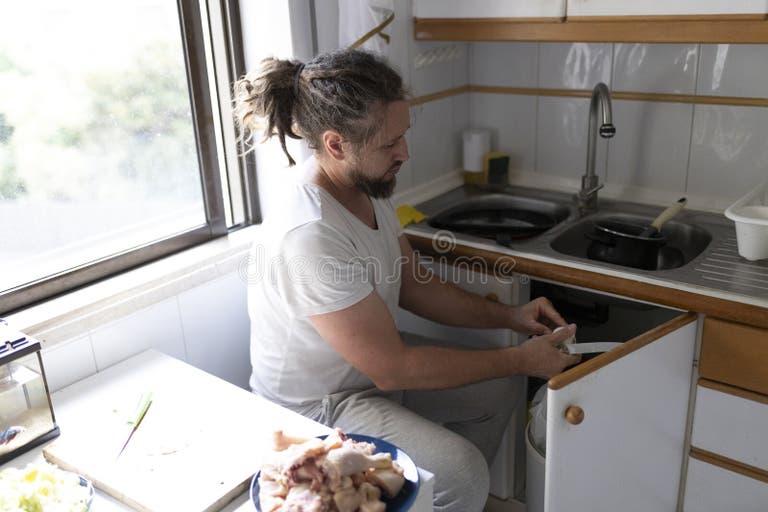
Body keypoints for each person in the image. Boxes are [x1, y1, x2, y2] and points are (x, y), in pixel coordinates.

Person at [233, 49, 579, 512]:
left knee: (497, 390)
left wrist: (511, 316)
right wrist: (520, 358)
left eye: (404, 136)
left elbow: (415, 284)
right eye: (389, 143)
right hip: (317, 410)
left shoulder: (362, 186)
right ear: (336, 144)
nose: (405, 152)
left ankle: (429, 499)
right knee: (463, 471)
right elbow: (392, 367)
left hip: (362, 377)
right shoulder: (310, 233)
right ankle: (446, 491)